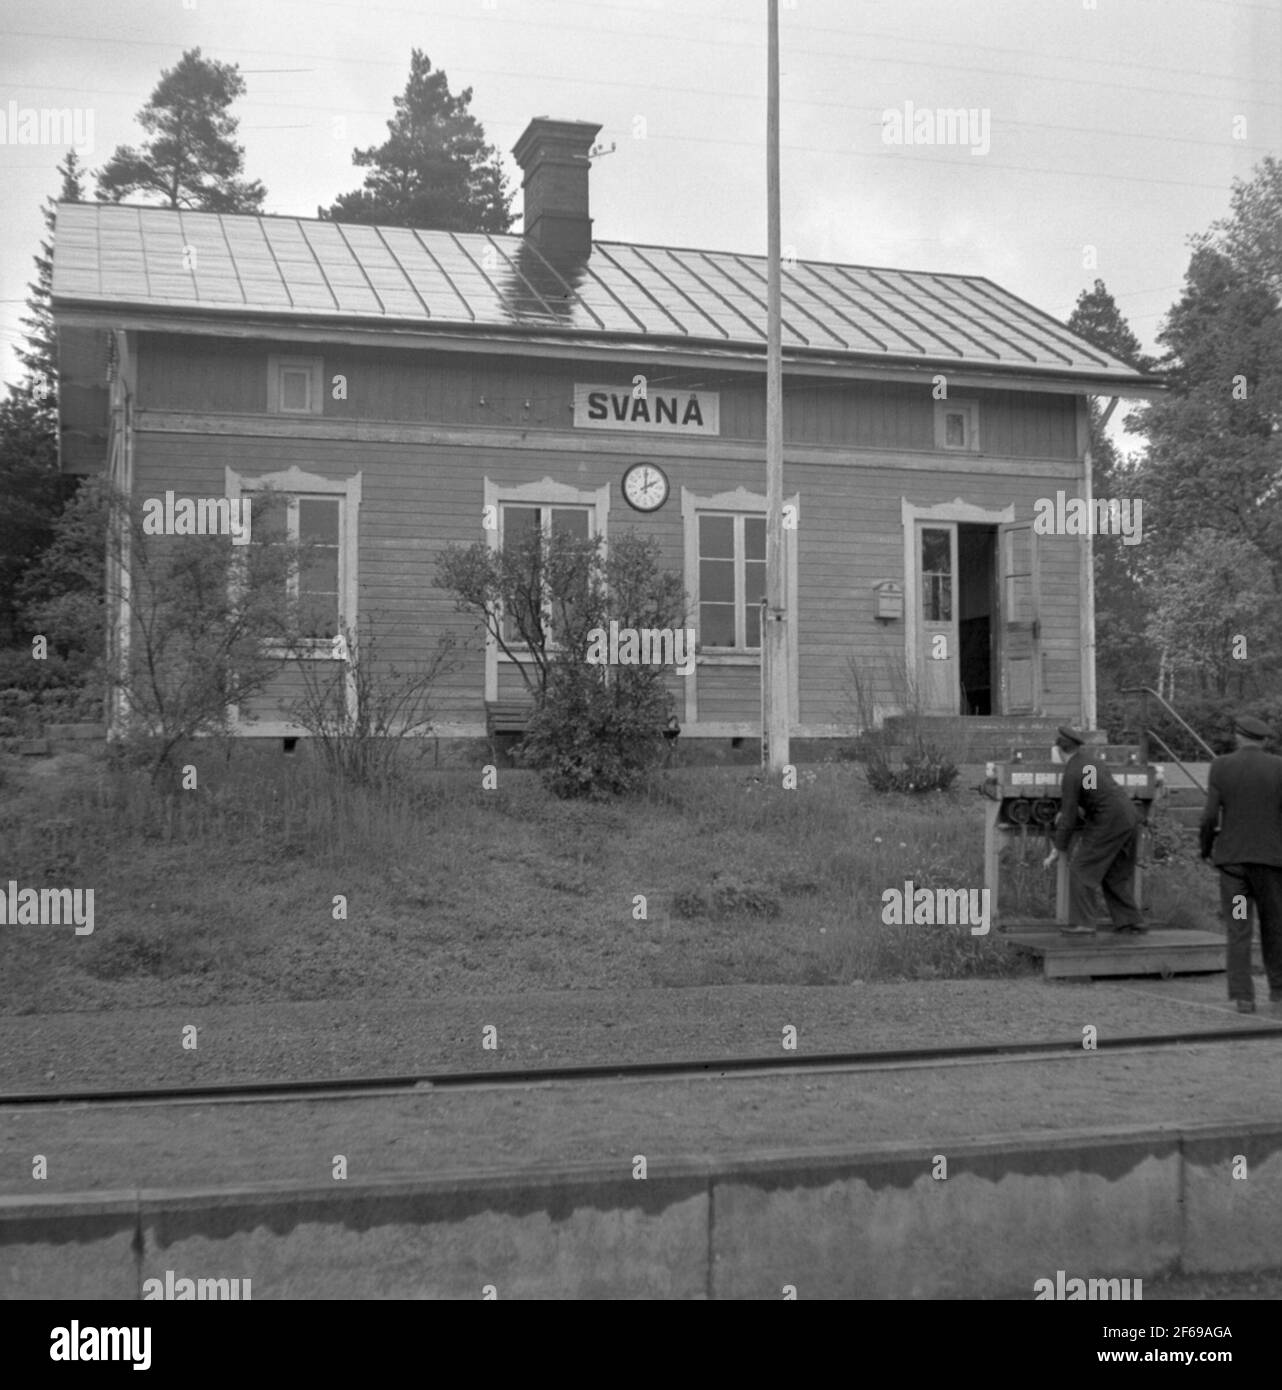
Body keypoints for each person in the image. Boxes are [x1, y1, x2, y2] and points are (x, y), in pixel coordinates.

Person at [1199, 714, 1282, 1015]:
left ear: (1238, 737)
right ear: (1265, 740)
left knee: (1238, 928)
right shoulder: (1278, 767)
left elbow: (1209, 817)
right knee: (1274, 926)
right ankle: (1278, 991)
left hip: (1234, 868)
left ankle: (1243, 996)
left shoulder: (1221, 766)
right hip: (1271, 866)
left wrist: (1206, 849)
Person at [1042, 726, 1144, 937]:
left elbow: (1068, 817)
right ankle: (1130, 922)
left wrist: (1056, 848)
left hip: (1108, 821)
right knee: (1114, 874)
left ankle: (1084, 924)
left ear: (1059, 750)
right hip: (1129, 816)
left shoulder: (1071, 772)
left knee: (1081, 869)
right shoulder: (1092, 762)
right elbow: (1093, 792)